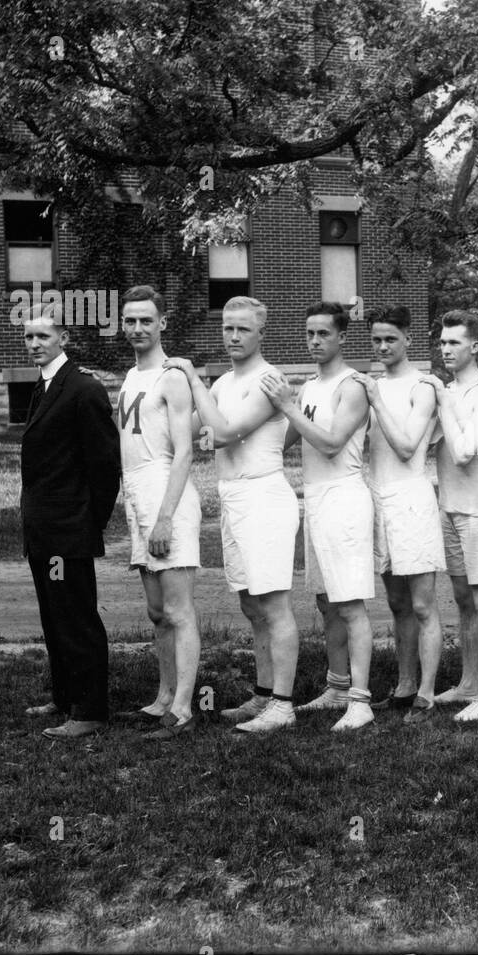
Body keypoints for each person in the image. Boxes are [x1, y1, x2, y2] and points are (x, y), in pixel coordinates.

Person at [164, 297, 300, 734]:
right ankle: (262, 695)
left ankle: (283, 705)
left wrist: (191, 377)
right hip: (233, 497)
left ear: (262, 332)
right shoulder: (223, 382)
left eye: (243, 329)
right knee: (250, 603)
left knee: (274, 604)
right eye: (227, 328)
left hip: (264, 496)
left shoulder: (269, 379)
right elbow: (190, 431)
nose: (234, 337)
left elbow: (222, 433)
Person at [260, 302, 375, 732]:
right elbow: (282, 442)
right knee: (327, 603)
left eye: (323, 334)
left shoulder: (353, 387)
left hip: (346, 498)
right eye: (309, 333)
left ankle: (361, 701)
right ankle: (338, 686)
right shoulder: (308, 387)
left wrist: (287, 406)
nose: (314, 341)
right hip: (316, 500)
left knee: (350, 604)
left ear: (342, 337)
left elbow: (329, 443)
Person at [19, 307, 121, 739]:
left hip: (70, 529)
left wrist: (86, 522)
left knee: (76, 618)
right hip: (43, 527)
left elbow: (104, 466)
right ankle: (64, 697)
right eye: (28, 337)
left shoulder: (82, 388)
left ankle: (90, 710)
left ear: (64, 337)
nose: (35, 344)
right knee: (52, 616)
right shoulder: (42, 387)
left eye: (43, 335)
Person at [112, 286, 202, 739]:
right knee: (156, 611)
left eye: (146, 320)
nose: (137, 329)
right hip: (138, 495)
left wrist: (165, 517)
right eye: (130, 320)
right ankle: (163, 697)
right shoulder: (132, 375)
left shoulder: (172, 377)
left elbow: (185, 453)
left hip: (168, 493)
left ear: (162, 322)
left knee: (178, 609)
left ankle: (184, 709)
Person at [356, 306, 445, 726]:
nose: (382, 347)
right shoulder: (373, 385)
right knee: (396, 602)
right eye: (375, 339)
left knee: (423, 603)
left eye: (390, 338)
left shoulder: (424, 385)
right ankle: (405, 686)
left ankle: (426, 694)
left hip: (411, 498)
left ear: (409, 339)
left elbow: (408, 446)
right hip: (379, 497)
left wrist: (375, 400)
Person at [431, 310, 478, 722]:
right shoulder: (446, 390)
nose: (446, 350)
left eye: (454, 343)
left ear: (475, 346)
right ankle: (467, 683)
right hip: (450, 508)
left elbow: (463, 453)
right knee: (463, 600)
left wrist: (442, 402)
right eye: (442, 343)